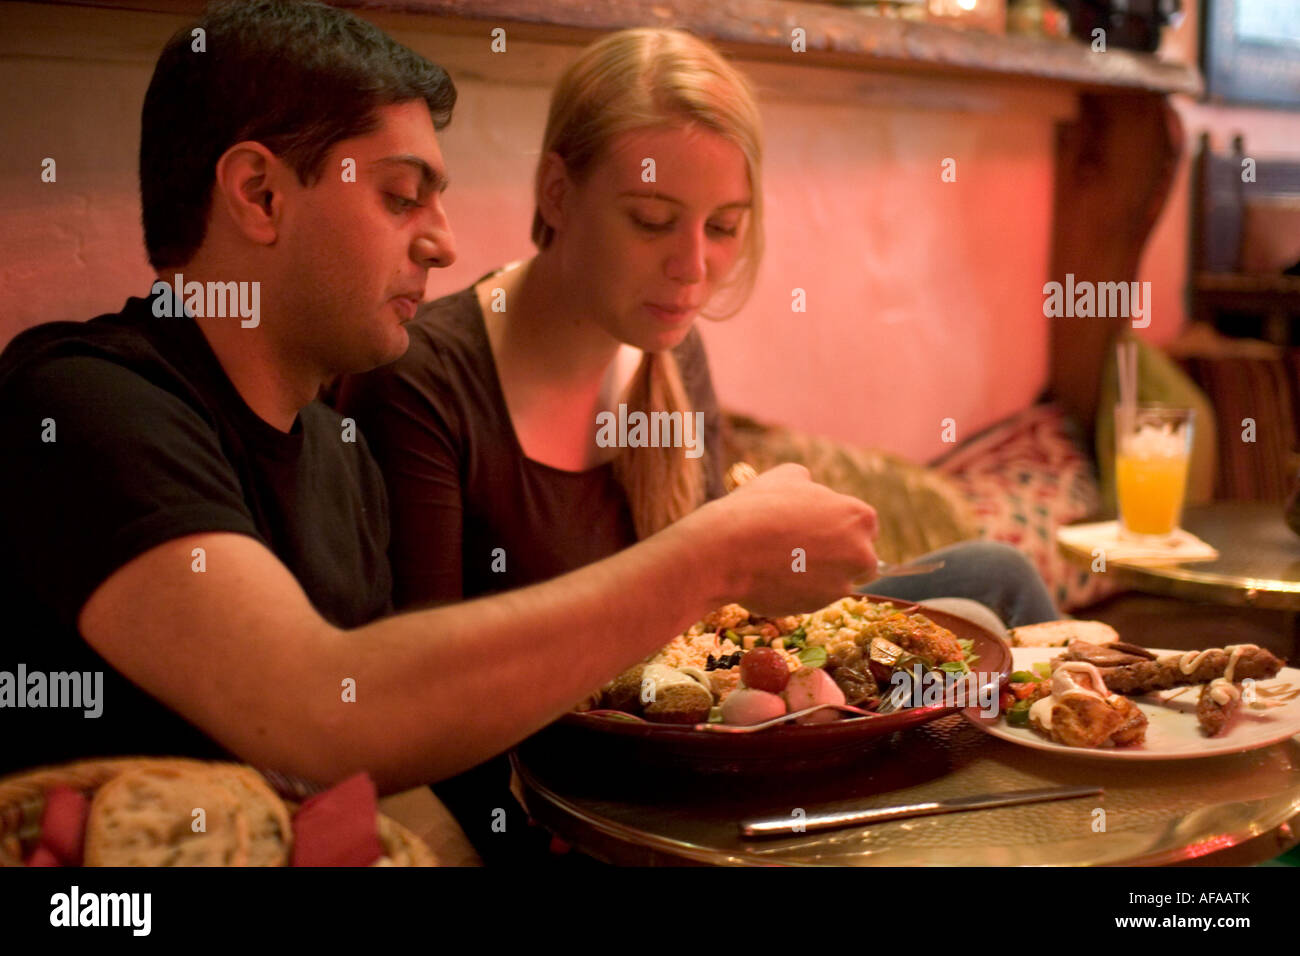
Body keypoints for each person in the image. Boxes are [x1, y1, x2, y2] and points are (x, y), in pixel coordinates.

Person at [0, 1, 880, 798]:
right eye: (399, 197)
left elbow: (392, 774)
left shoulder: (334, 455)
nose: (447, 245)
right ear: (261, 195)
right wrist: (713, 557)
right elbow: (323, 714)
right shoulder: (83, 404)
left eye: (722, 228)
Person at [337, 27, 1057, 860]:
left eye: (724, 227)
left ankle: (1067, 797)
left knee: (993, 578)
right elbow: (428, 707)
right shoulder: (424, 380)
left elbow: (714, 632)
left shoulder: (669, 347)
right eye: (652, 221)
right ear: (558, 193)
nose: (693, 266)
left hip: (705, 719)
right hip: (583, 782)